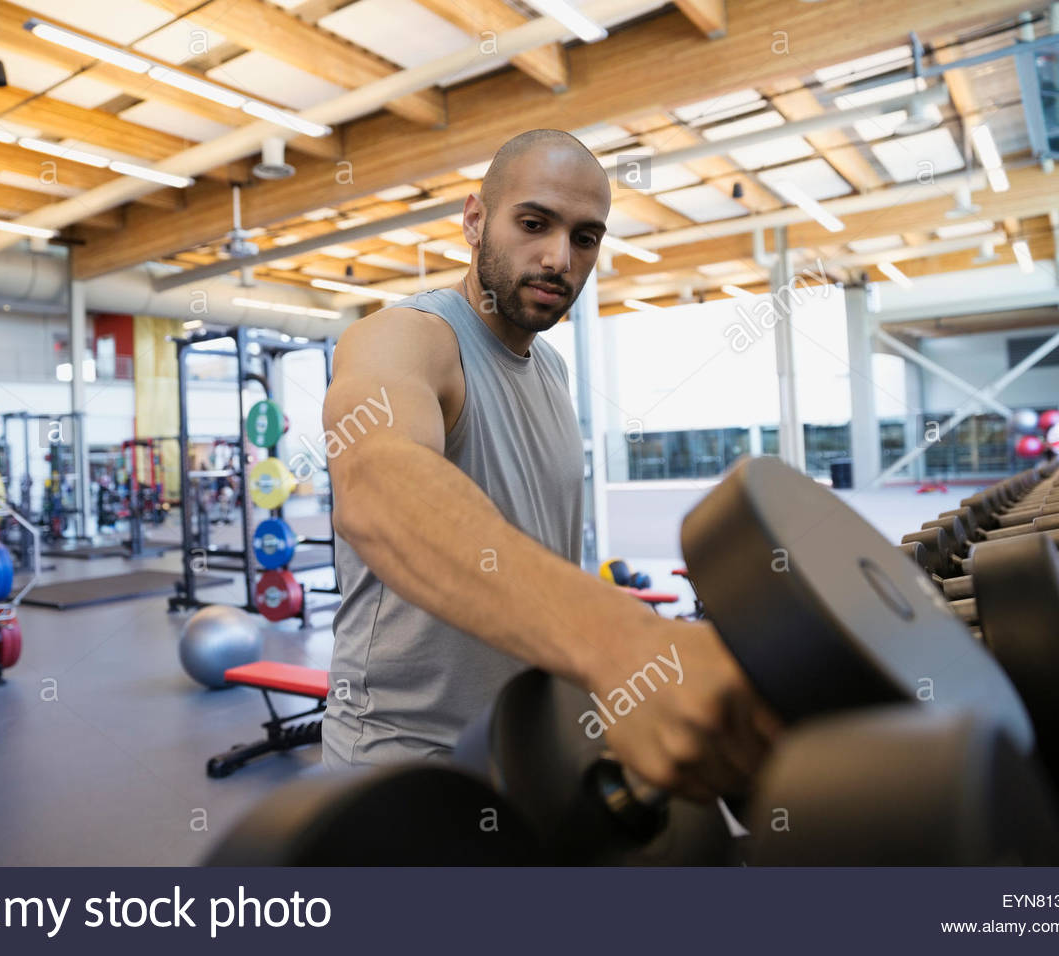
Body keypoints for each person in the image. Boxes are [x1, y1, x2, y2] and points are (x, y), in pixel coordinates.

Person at [321, 129, 778, 801]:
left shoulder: (552, 369)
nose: (558, 258)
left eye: (585, 238)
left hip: (532, 750)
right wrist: (620, 643)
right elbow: (378, 485)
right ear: (475, 220)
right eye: (533, 223)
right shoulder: (405, 339)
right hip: (406, 768)